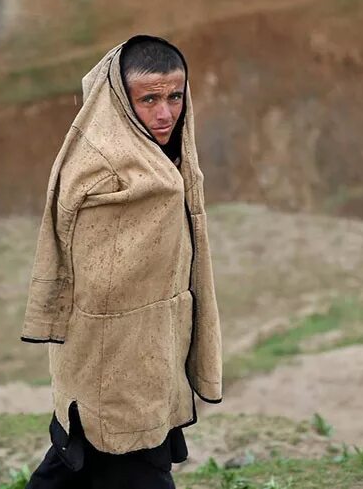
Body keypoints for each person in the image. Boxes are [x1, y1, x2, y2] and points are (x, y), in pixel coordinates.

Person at [21, 35, 223, 488]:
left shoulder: (162, 155)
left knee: (74, 463)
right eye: (148, 99)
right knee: (131, 464)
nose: (165, 113)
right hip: (116, 364)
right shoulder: (107, 167)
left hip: (145, 352)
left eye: (174, 96)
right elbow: (97, 282)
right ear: (119, 99)